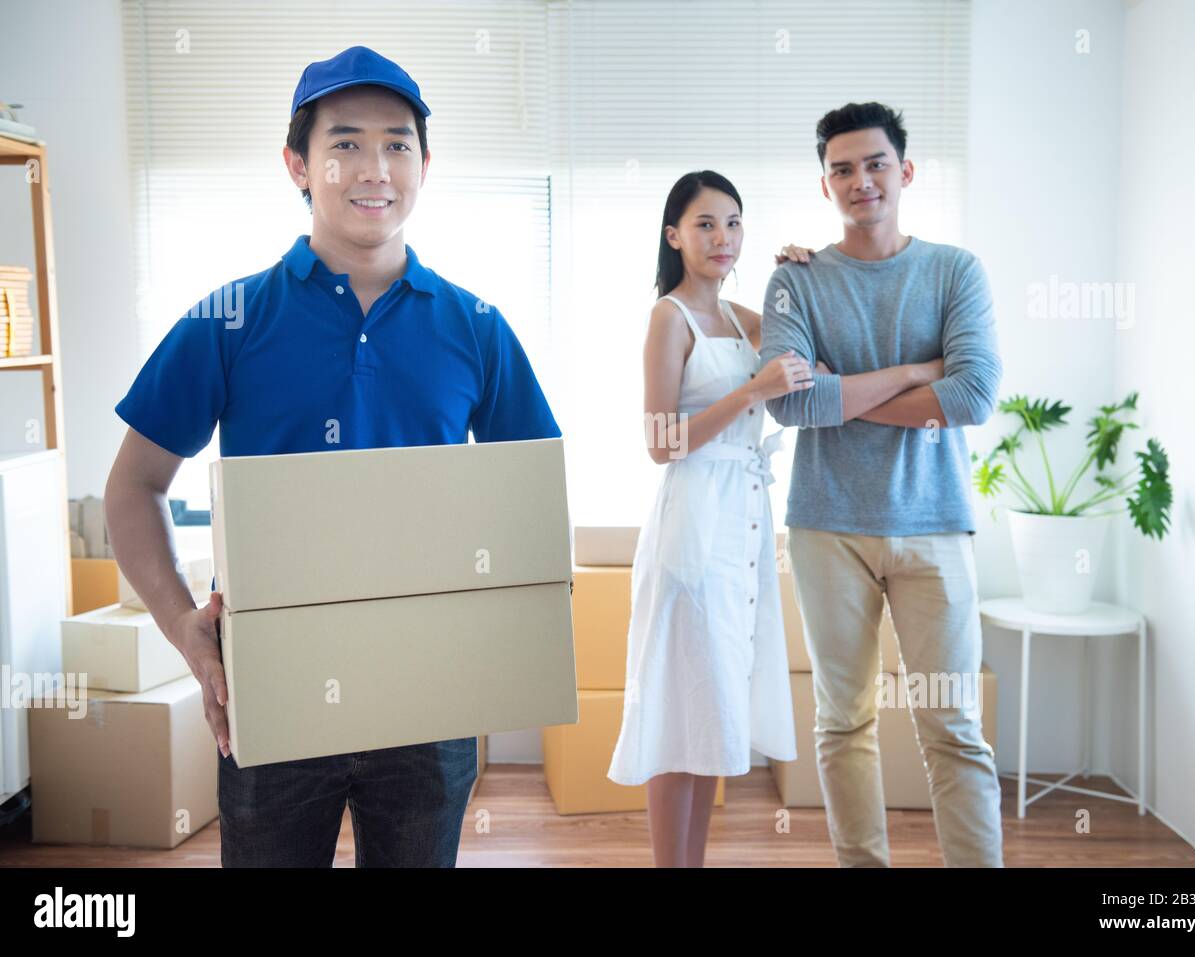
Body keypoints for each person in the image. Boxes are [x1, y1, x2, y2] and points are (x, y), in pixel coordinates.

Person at [104, 46, 560, 867]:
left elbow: (530, 496)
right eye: (344, 143)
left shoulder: (475, 326)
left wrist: (495, 643)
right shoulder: (228, 319)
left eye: (396, 144)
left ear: (425, 164)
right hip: (273, 694)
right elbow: (133, 486)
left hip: (429, 697)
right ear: (298, 165)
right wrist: (185, 629)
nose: (373, 167)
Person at [607, 170, 938, 867]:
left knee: (710, 715)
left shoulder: (740, 317)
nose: (722, 237)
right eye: (705, 224)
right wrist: (753, 390)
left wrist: (805, 275)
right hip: (692, 525)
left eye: (733, 222)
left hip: (742, 528)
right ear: (674, 235)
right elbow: (660, 441)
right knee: (677, 720)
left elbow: (818, 360)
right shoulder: (669, 317)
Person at [762, 101, 1005, 867]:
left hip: (935, 522)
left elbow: (971, 397)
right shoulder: (794, 280)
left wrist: (848, 396)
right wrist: (911, 373)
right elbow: (791, 401)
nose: (859, 180)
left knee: (953, 726)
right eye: (842, 169)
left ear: (904, 172)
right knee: (843, 722)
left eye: (874, 165)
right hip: (827, 525)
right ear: (825, 182)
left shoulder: (955, 271)